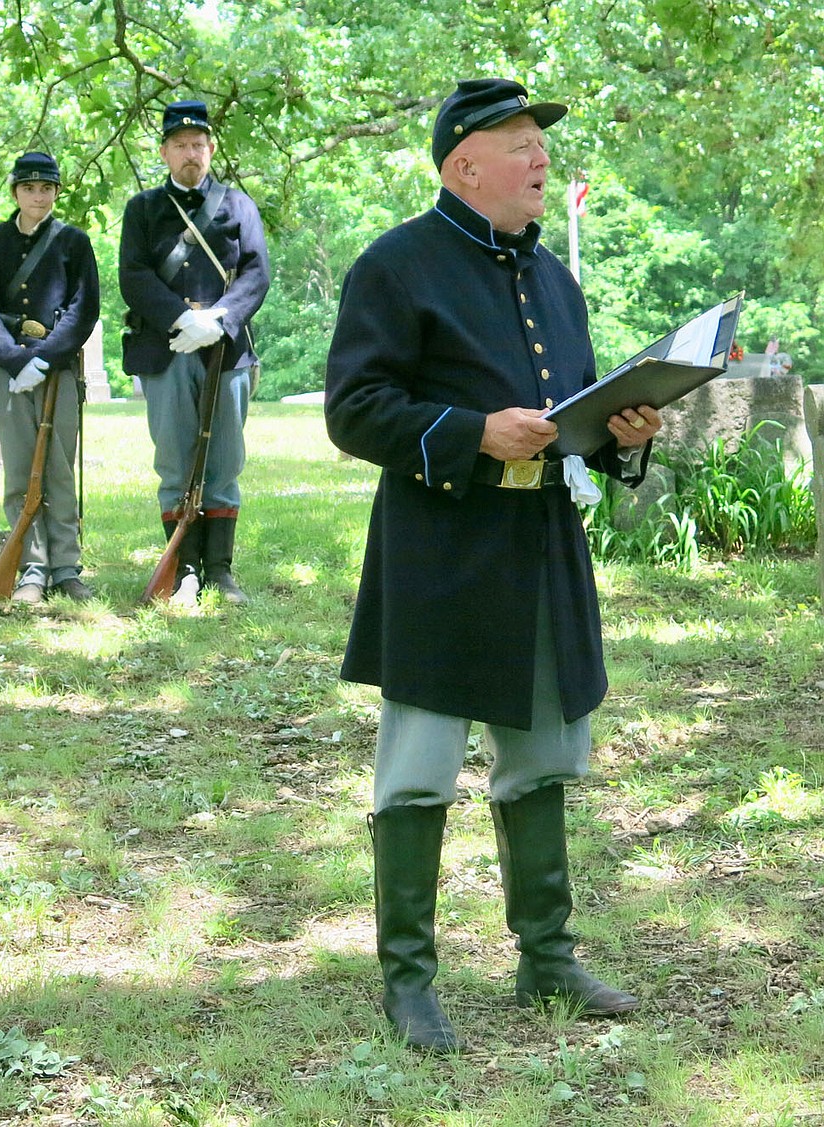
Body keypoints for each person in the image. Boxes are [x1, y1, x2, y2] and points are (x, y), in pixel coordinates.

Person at [324, 78, 663, 1052]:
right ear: (464, 162)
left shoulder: (554, 277)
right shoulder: (396, 266)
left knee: (543, 758)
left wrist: (622, 431)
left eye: (541, 143)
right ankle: (410, 981)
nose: (541, 159)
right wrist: (473, 432)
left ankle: (546, 959)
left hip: (542, 545)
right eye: (522, 142)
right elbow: (354, 408)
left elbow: (576, 421)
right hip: (439, 551)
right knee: (420, 767)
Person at [119, 99, 270, 604]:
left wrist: (218, 321)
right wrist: (182, 319)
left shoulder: (238, 205)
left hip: (225, 349)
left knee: (224, 459)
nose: (191, 153)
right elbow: (133, 276)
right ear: (164, 151)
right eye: (180, 145)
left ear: (211, 149)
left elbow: (256, 273)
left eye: (199, 145)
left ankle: (220, 572)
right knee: (175, 459)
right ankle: (182, 570)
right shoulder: (142, 210)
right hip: (166, 346)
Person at [0, 152, 101, 604]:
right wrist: (13, 360)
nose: (38, 196)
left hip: (57, 367)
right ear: (15, 192)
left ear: (56, 193)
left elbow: (85, 307)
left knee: (59, 466)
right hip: (7, 369)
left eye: (46, 189)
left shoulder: (73, 243)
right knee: (22, 467)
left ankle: (66, 566)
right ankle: (30, 566)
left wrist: (44, 357)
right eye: (29, 189)